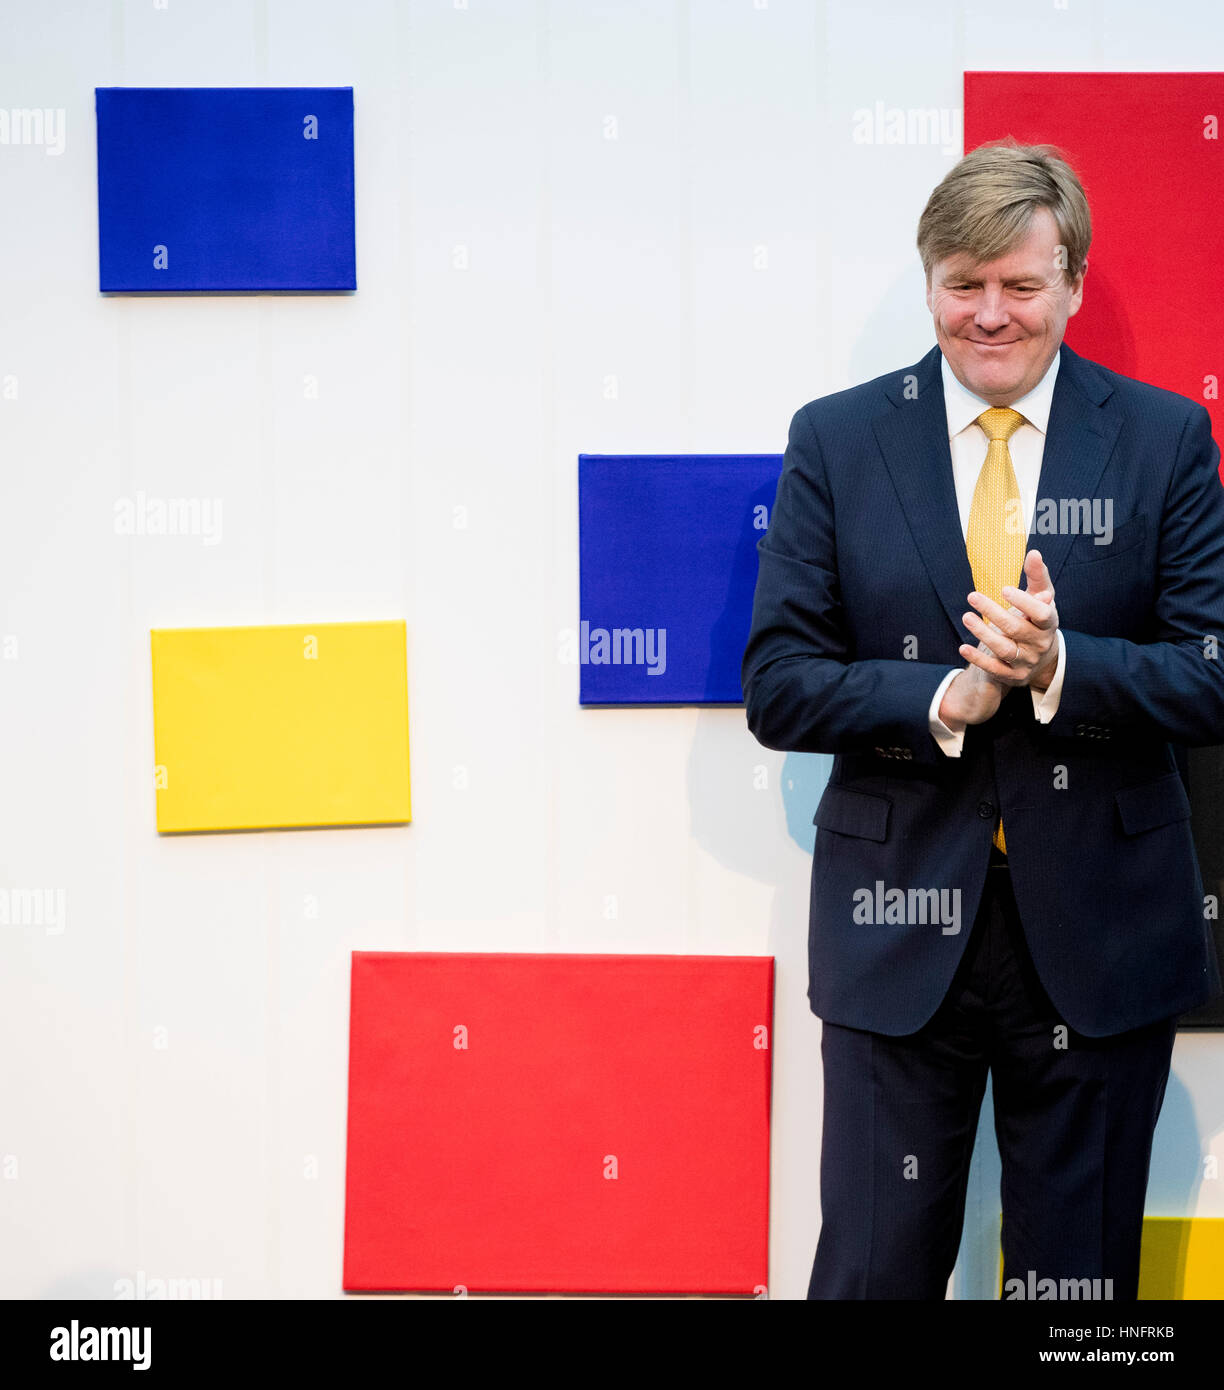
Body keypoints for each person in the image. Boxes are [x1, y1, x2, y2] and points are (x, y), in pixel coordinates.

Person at [741, 139, 1224, 1300]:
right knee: (871, 1273)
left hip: (1101, 941)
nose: (990, 314)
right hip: (896, 933)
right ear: (929, 282)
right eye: (964, 282)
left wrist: (1062, 666)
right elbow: (781, 680)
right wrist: (937, 698)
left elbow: (1210, 674)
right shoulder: (839, 437)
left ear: (1072, 280)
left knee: (1079, 1295)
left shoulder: (1164, 440)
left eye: (1020, 283)